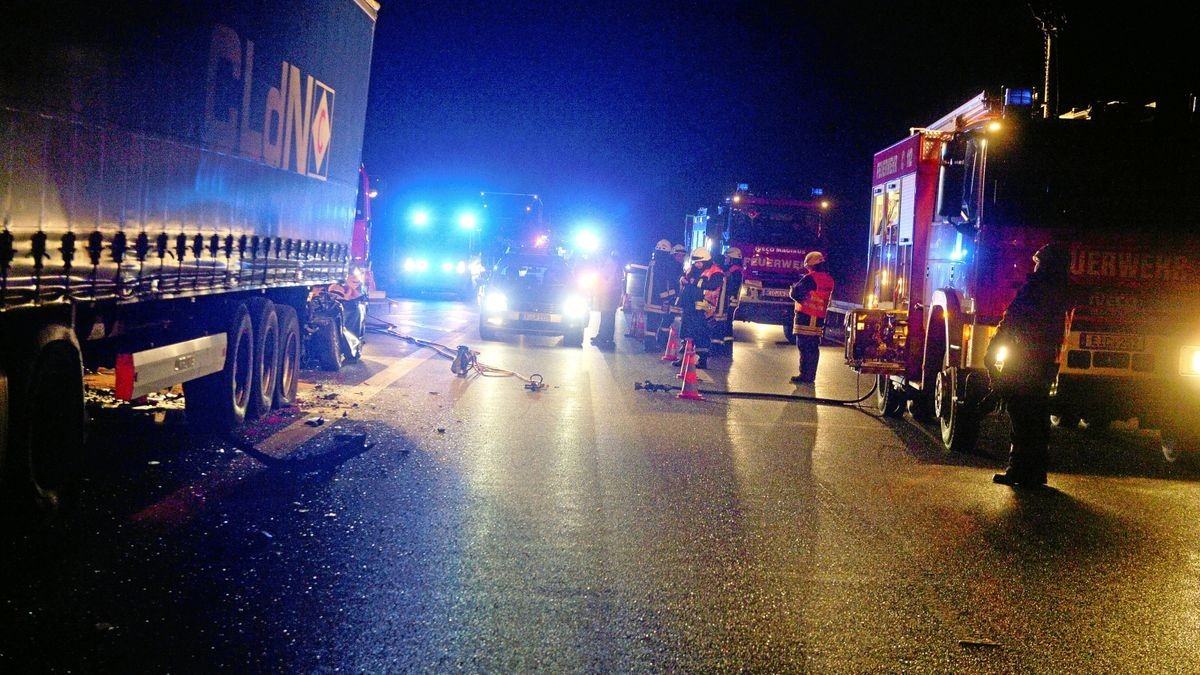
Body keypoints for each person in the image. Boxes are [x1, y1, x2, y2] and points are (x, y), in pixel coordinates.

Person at [986, 242, 1073, 488]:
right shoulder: (1062, 293)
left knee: (1021, 415)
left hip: (1025, 359)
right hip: (1047, 362)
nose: (1035, 267)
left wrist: (993, 349)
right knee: (1037, 416)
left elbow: (1012, 320)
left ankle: (1017, 470)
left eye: (1038, 262)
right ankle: (1036, 472)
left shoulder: (1034, 290)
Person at [788, 251, 834, 383]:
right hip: (819, 317)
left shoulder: (810, 278)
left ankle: (804, 375)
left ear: (810, 264)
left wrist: (792, 289)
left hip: (806, 317)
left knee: (804, 346)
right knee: (813, 347)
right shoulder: (829, 279)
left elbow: (797, 293)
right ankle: (811, 375)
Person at [674, 247, 723, 369]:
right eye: (695, 262)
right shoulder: (693, 268)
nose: (696, 264)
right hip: (689, 306)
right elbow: (685, 276)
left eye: (699, 262)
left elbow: (713, 285)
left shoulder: (715, 271)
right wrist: (683, 279)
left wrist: (695, 281)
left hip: (703, 309)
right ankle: (684, 359)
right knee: (687, 333)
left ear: (705, 260)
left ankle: (702, 360)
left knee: (701, 334)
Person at [642, 239, 680, 352]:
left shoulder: (654, 262)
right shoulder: (661, 264)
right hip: (656, 300)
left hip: (650, 298)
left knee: (651, 323)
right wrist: (666, 299)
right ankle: (650, 346)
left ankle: (649, 344)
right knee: (653, 323)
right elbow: (661, 283)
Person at [591, 250, 623, 350]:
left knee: (607, 317)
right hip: (609, 294)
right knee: (606, 315)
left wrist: (600, 291)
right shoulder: (609, 264)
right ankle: (603, 336)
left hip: (609, 294)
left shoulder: (611, 265)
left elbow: (608, 281)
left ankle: (605, 338)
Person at [717, 247, 744, 356]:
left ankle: (725, 348)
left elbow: (732, 286)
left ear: (732, 258)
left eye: (727, 257)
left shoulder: (734, 270)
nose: (726, 259)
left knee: (726, 323)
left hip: (730, 300)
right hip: (731, 300)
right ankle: (726, 348)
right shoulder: (736, 269)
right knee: (727, 323)